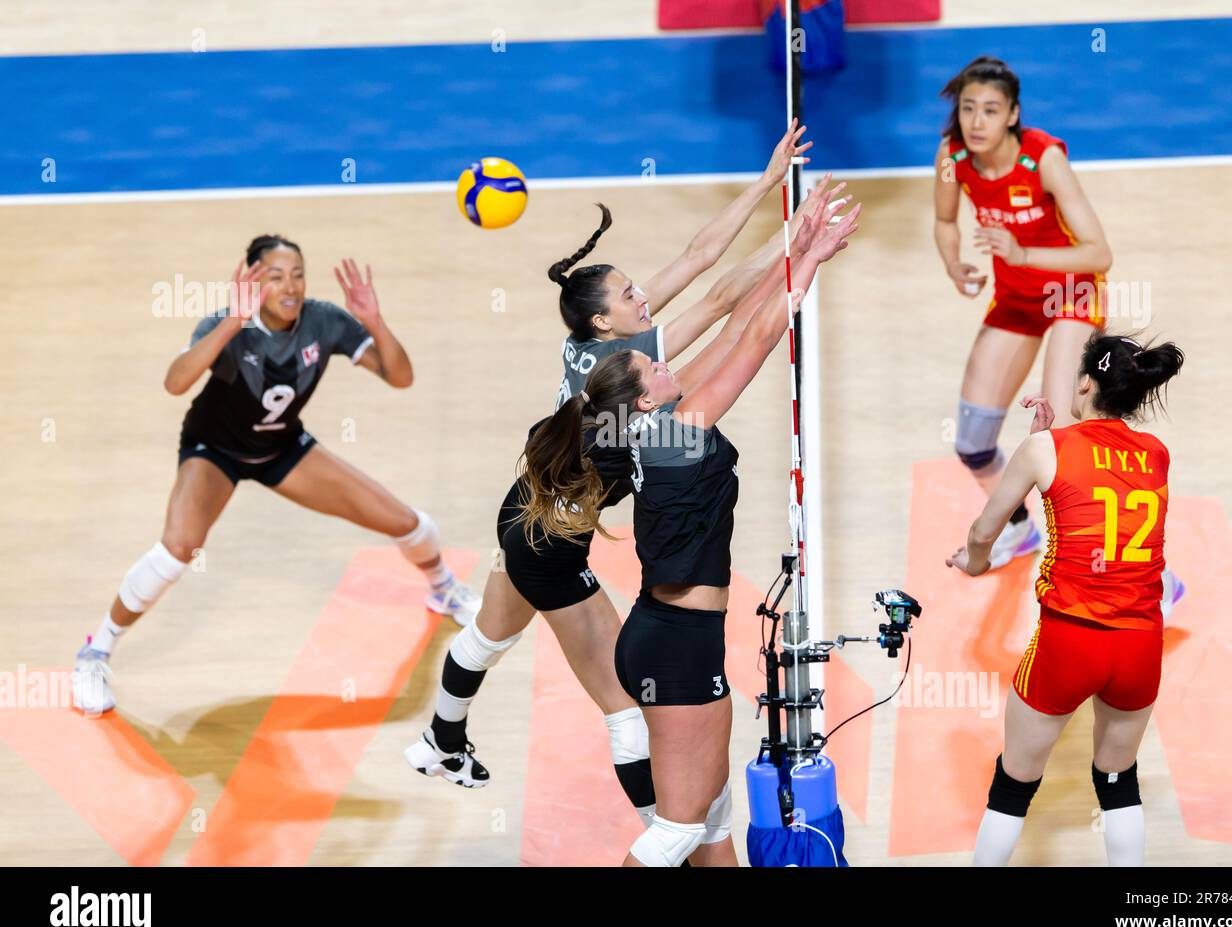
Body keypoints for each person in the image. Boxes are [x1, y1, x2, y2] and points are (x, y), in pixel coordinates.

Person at [405, 124, 832, 818]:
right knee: (626, 707)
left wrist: (764, 181)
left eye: (638, 291)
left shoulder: (591, 342)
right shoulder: (621, 368)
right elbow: (725, 306)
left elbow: (698, 258)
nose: (642, 299)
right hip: (551, 547)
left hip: (524, 513)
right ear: (609, 326)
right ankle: (663, 840)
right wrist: (796, 243)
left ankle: (440, 740)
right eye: (631, 298)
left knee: (490, 634)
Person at [518, 193, 859, 866]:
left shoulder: (653, 423)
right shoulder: (679, 431)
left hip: (664, 637)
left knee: (711, 821)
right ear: (647, 395)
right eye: (654, 365)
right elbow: (756, 338)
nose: (666, 357)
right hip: (678, 651)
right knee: (678, 831)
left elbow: (737, 332)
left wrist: (796, 254)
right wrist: (806, 256)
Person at [73, 238, 479, 715]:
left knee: (410, 523)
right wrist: (230, 323)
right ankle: (94, 652)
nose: (290, 286)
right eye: (275, 276)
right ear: (251, 282)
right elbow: (174, 382)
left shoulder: (324, 321)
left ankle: (443, 589)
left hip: (282, 448)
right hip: (214, 451)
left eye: (298, 274)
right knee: (176, 551)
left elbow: (401, 377)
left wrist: (372, 318)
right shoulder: (230, 326)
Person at [945, 332, 1185, 866]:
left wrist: (976, 563)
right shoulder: (1157, 453)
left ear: (1083, 383)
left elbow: (986, 530)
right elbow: (1099, 485)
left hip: (1069, 642)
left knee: (1014, 784)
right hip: (1140, 645)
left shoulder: (1046, 448)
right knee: (1118, 779)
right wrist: (1046, 445)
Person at [934, 55, 1114, 570]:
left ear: (1013, 114)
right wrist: (954, 263)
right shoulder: (952, 156)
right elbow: (945, 221)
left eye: (990, 110)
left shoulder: (1044, 159)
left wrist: (1022, 255)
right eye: (969, 109)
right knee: (971, 444)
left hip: (1070, 297)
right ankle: (1018, 530)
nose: (976, 121)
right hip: (1015, 301)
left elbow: (1100, 253)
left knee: (1058, 445)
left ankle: (1145, 572)